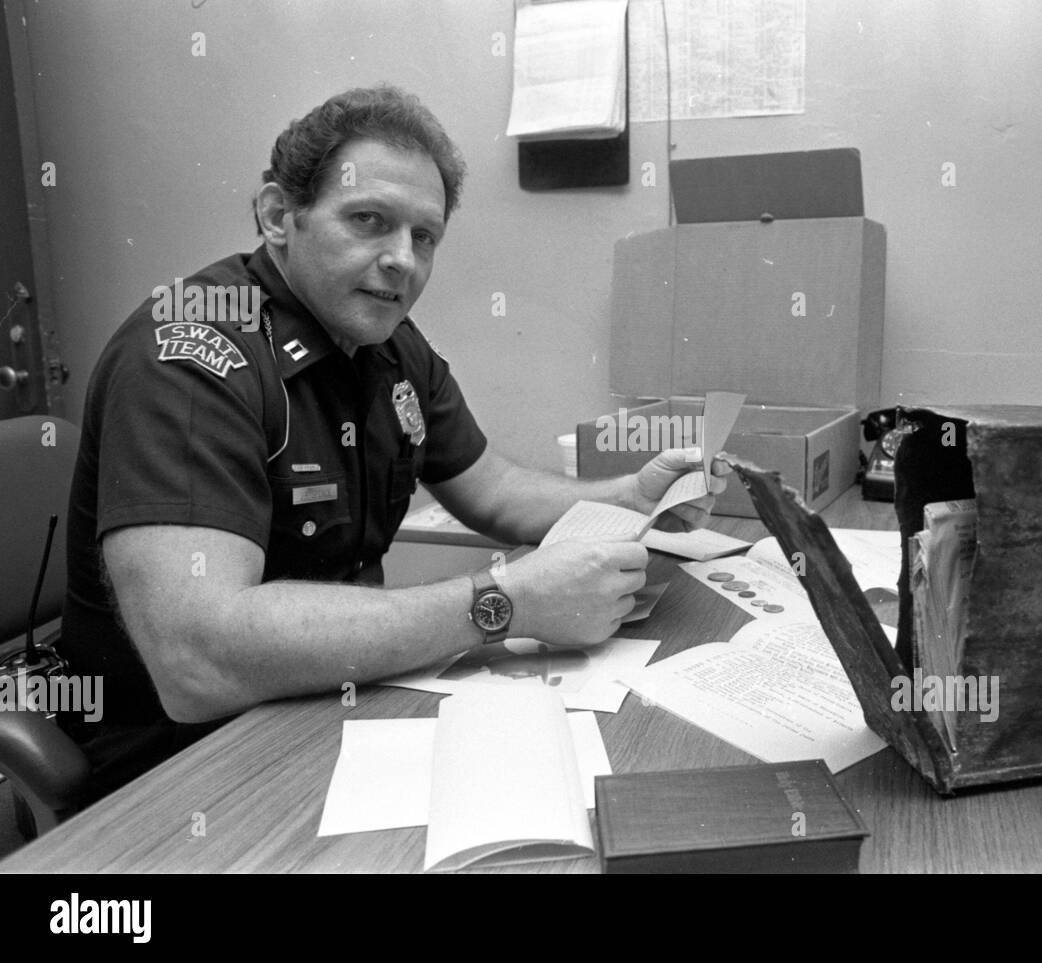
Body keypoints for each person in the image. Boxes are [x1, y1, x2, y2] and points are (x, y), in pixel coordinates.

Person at [58, 85, 727, 799]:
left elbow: (492, 487)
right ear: (281, 215)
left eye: (423, 236)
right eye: (368, 220)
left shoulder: (388, 344)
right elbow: (195, 661)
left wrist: (628, 495)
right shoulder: (189, 356)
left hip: (340, 705)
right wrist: (502, 602)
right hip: (186, 765)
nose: (402, 260)